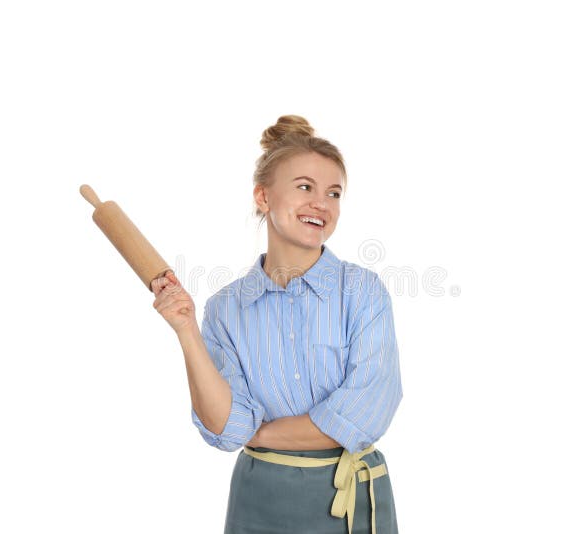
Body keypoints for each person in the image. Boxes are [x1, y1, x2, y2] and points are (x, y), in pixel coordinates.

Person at [151, 115, 403, 533]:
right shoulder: (226, 309)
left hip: (348, 502)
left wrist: (259, 434)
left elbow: (364, 412)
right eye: (305, 187)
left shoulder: (362, 292)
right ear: (263, 197)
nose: (322, 203)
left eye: (334, 193)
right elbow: (225, 427)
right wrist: (186, 331)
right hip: (259, 500)